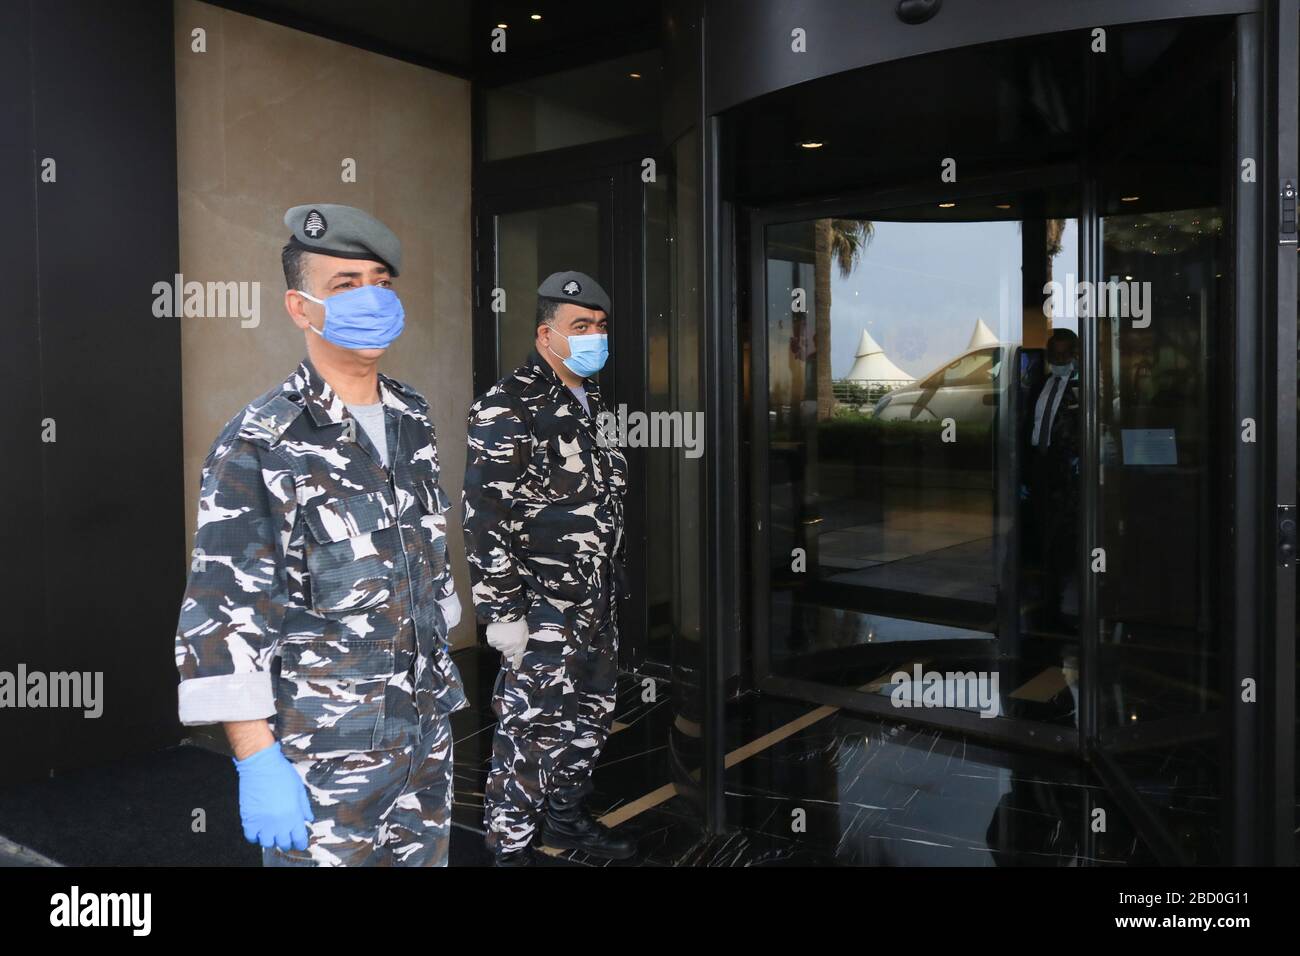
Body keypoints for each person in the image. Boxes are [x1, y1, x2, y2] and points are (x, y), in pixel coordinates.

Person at [173, 203, 465, 866]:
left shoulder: (411, 413)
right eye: (344, 284)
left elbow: (427, 544)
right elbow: (223, 610)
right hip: (327, 757)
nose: (372, 299)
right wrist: (256, 758)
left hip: (426, 733)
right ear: (299, 308)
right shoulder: (261, 440)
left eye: (381, 282)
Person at [463, 270, 634, 866]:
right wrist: (502, 615)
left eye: (600, 326)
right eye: (579, 326)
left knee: (591, 714)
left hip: (594, 597)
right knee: (530, 731)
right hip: (539, 608)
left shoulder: (595, 403)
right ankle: (509, 849)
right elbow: (485, 520)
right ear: (545, 335)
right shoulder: (507, 406)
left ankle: (564, 817)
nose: (594, 336)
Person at [1026, 328, 1081, 631]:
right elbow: (1029, 427)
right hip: (1040, 466)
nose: (1059, 359)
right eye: (1054, 354)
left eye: (1065, 353)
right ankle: (1047, 593)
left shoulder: (1082, 388)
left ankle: (1059, 599)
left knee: (1063, 534)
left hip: (1067, 469)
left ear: (1074, 354)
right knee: (1040, 527)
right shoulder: (1040, 386)